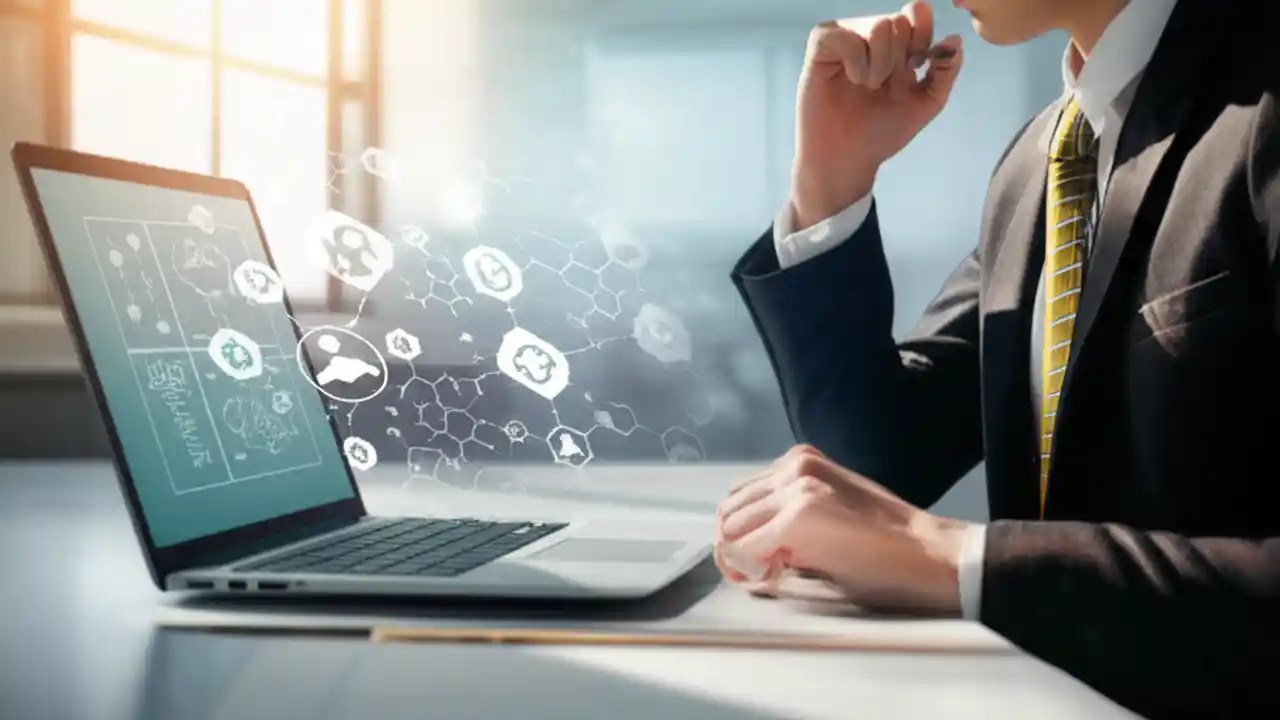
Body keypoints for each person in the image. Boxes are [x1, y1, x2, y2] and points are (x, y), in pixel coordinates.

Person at [717, 0, 1280, 716]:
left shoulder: (1262, 106)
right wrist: (830, 178)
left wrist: (956, 558)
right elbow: (879, 462)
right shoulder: (1039, 161)